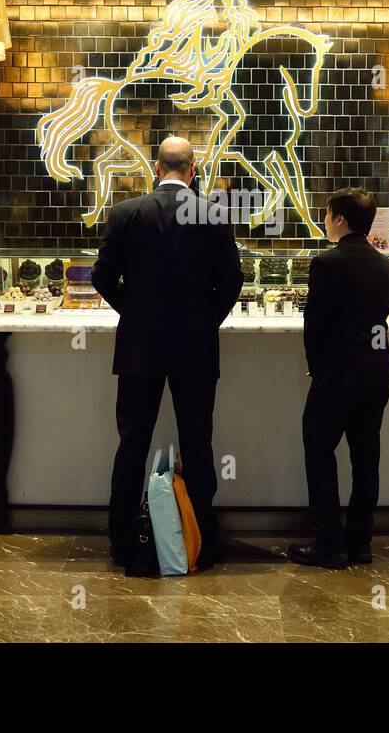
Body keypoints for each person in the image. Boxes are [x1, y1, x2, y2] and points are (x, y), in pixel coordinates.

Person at [91, 136, 243, 569]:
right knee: (198, 443)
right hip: (195, 347)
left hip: (141, 345)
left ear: (156, 169)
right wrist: (202, 320)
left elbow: (101, 277)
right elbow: (233, 281)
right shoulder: (214, 214)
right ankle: (200, 546)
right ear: (192, 171)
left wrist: (135, 312)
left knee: (132, 444)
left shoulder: (125, 213)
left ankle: (121, 544)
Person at [288, 188, 389, 570]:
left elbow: (314, 323)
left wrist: (315, 367)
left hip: (336, 375)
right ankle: (360, 544)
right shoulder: (387, 266)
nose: (324, 220)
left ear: (339, 219)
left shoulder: (326, 262)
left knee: (320, 454)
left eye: (326, 214)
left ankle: (328, 543)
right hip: (377, 374)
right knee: (366, 458)